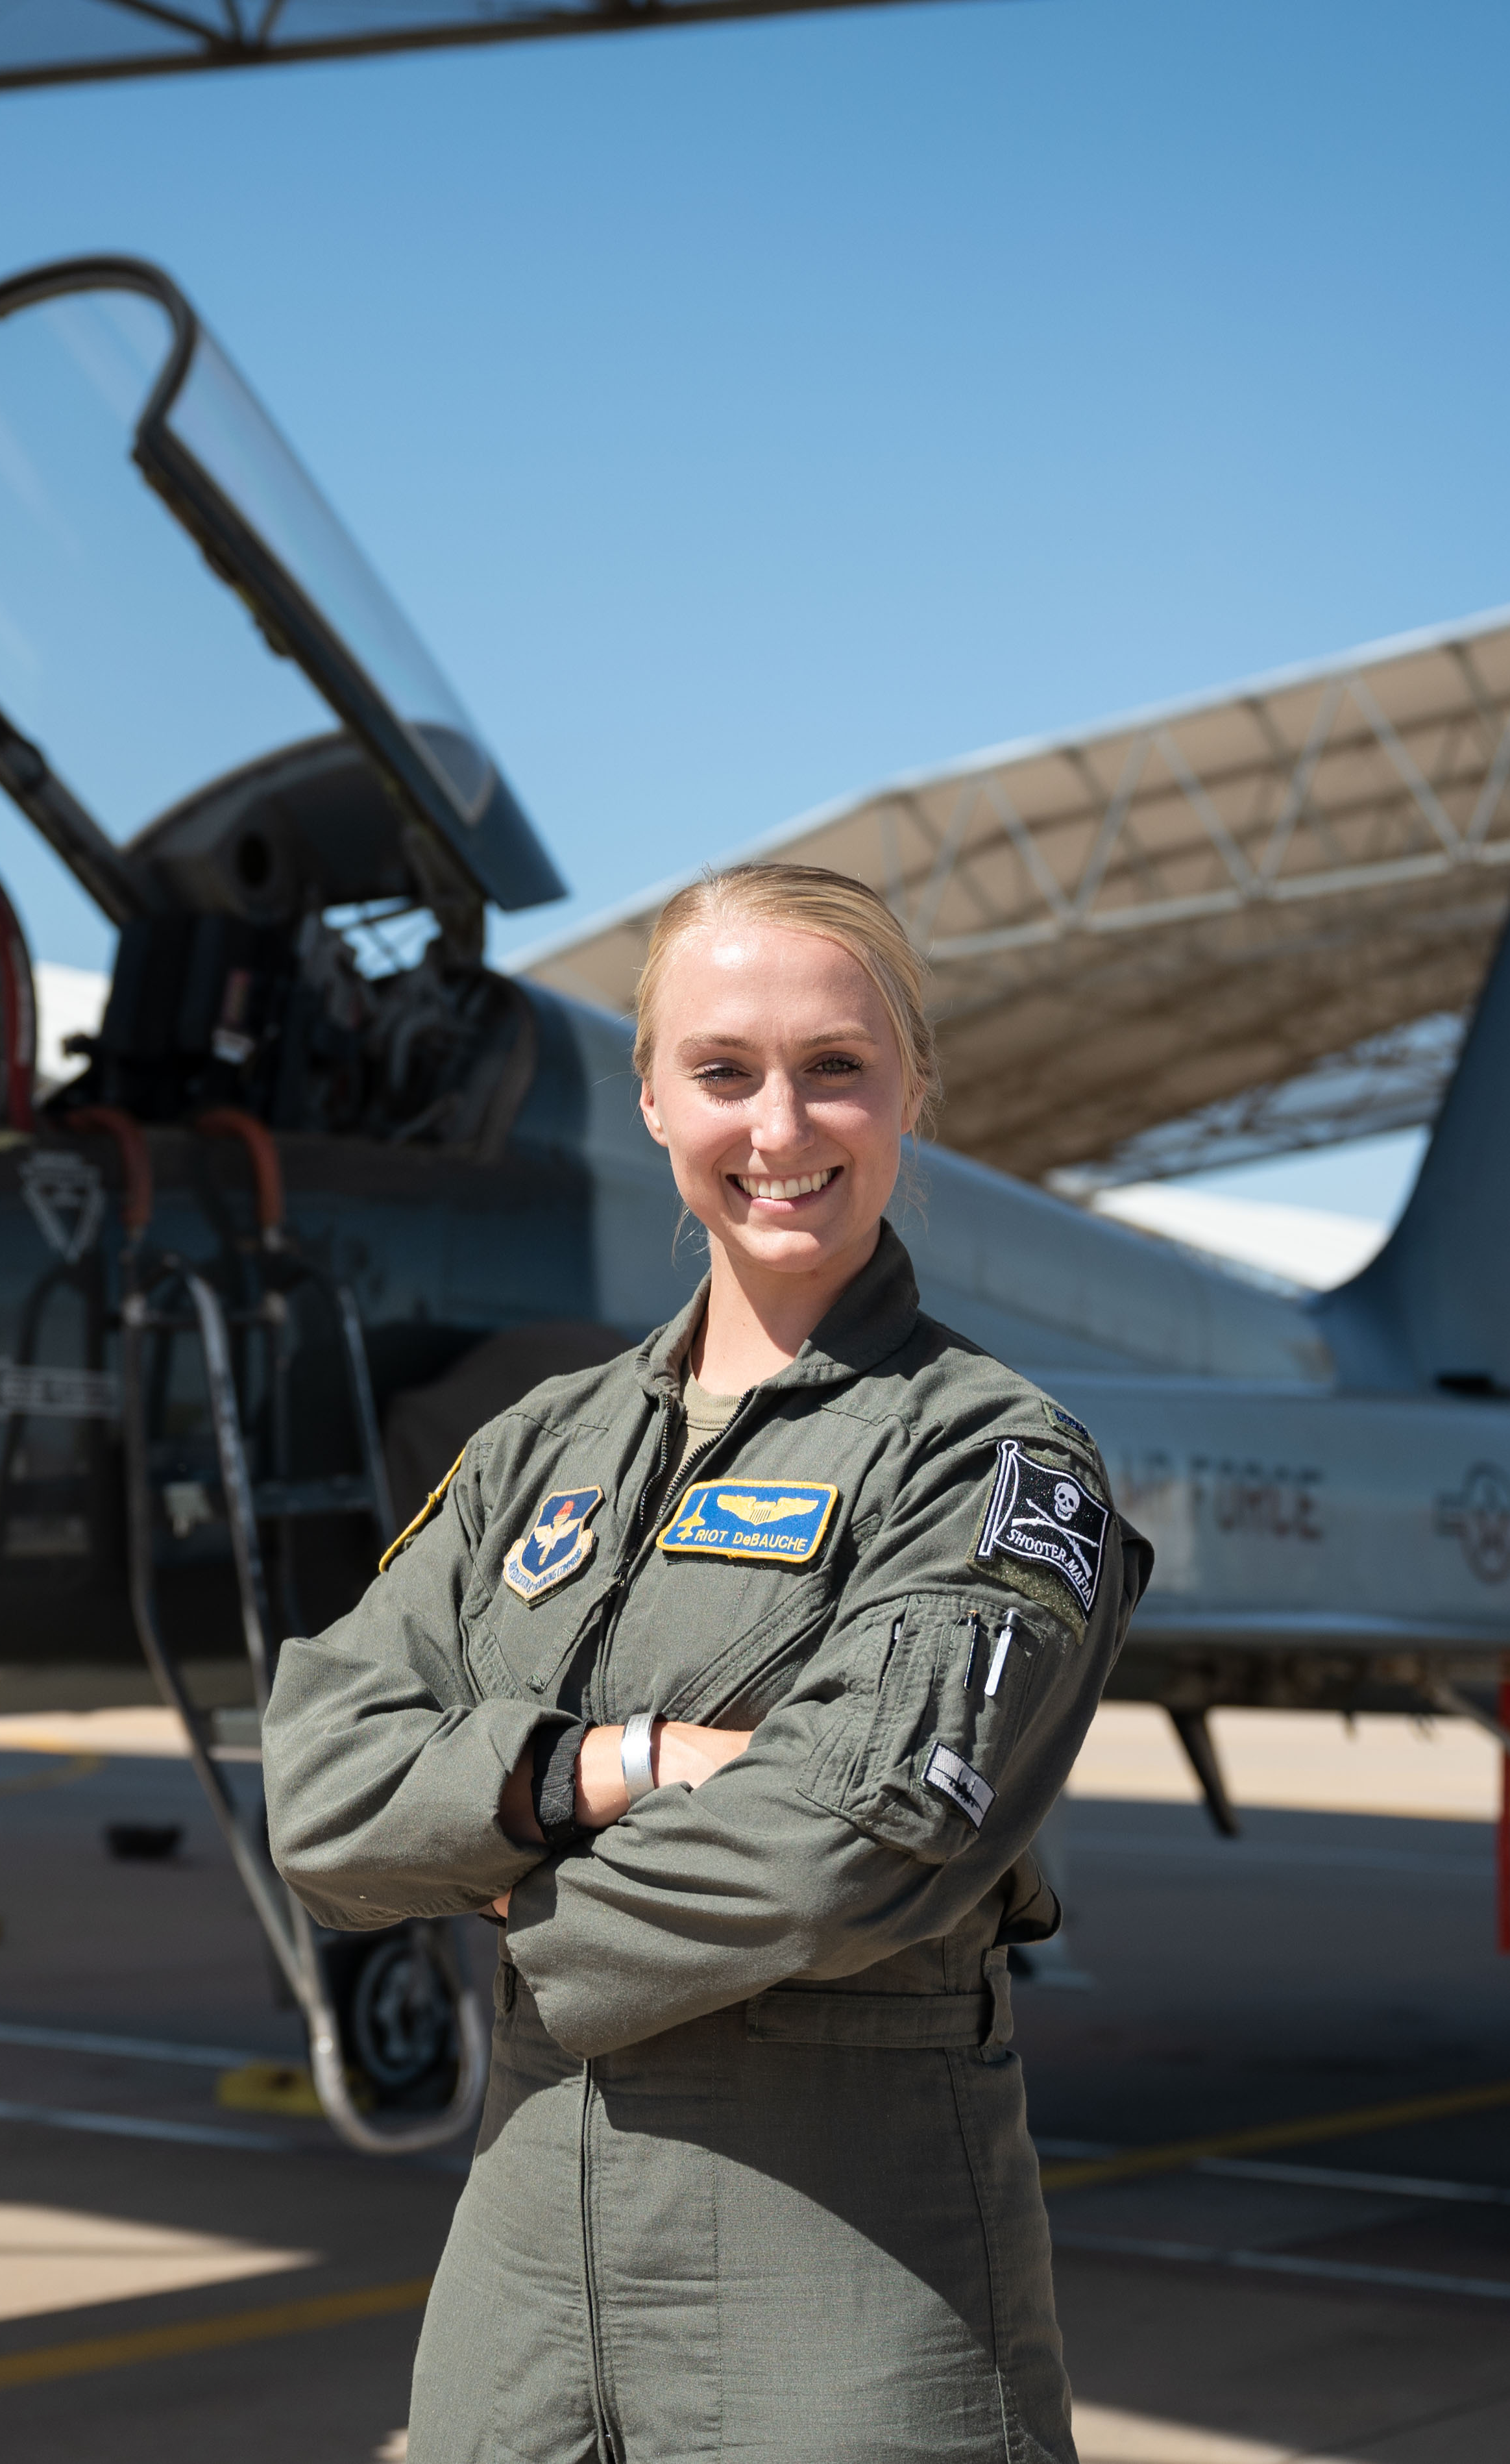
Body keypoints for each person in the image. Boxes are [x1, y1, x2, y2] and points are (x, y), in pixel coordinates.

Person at [264, 861, 1150, 2464]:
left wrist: (482, 1862)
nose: (782, 1128)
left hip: (847, 2270)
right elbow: (320, 1791)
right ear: (655, 1101)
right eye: (726, 1071)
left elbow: (839, 1841)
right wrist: (616, 1762)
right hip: (521, 2260)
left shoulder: (990, 1458)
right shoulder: (540, 1443)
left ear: (910, 1093)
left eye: (835, 1069)